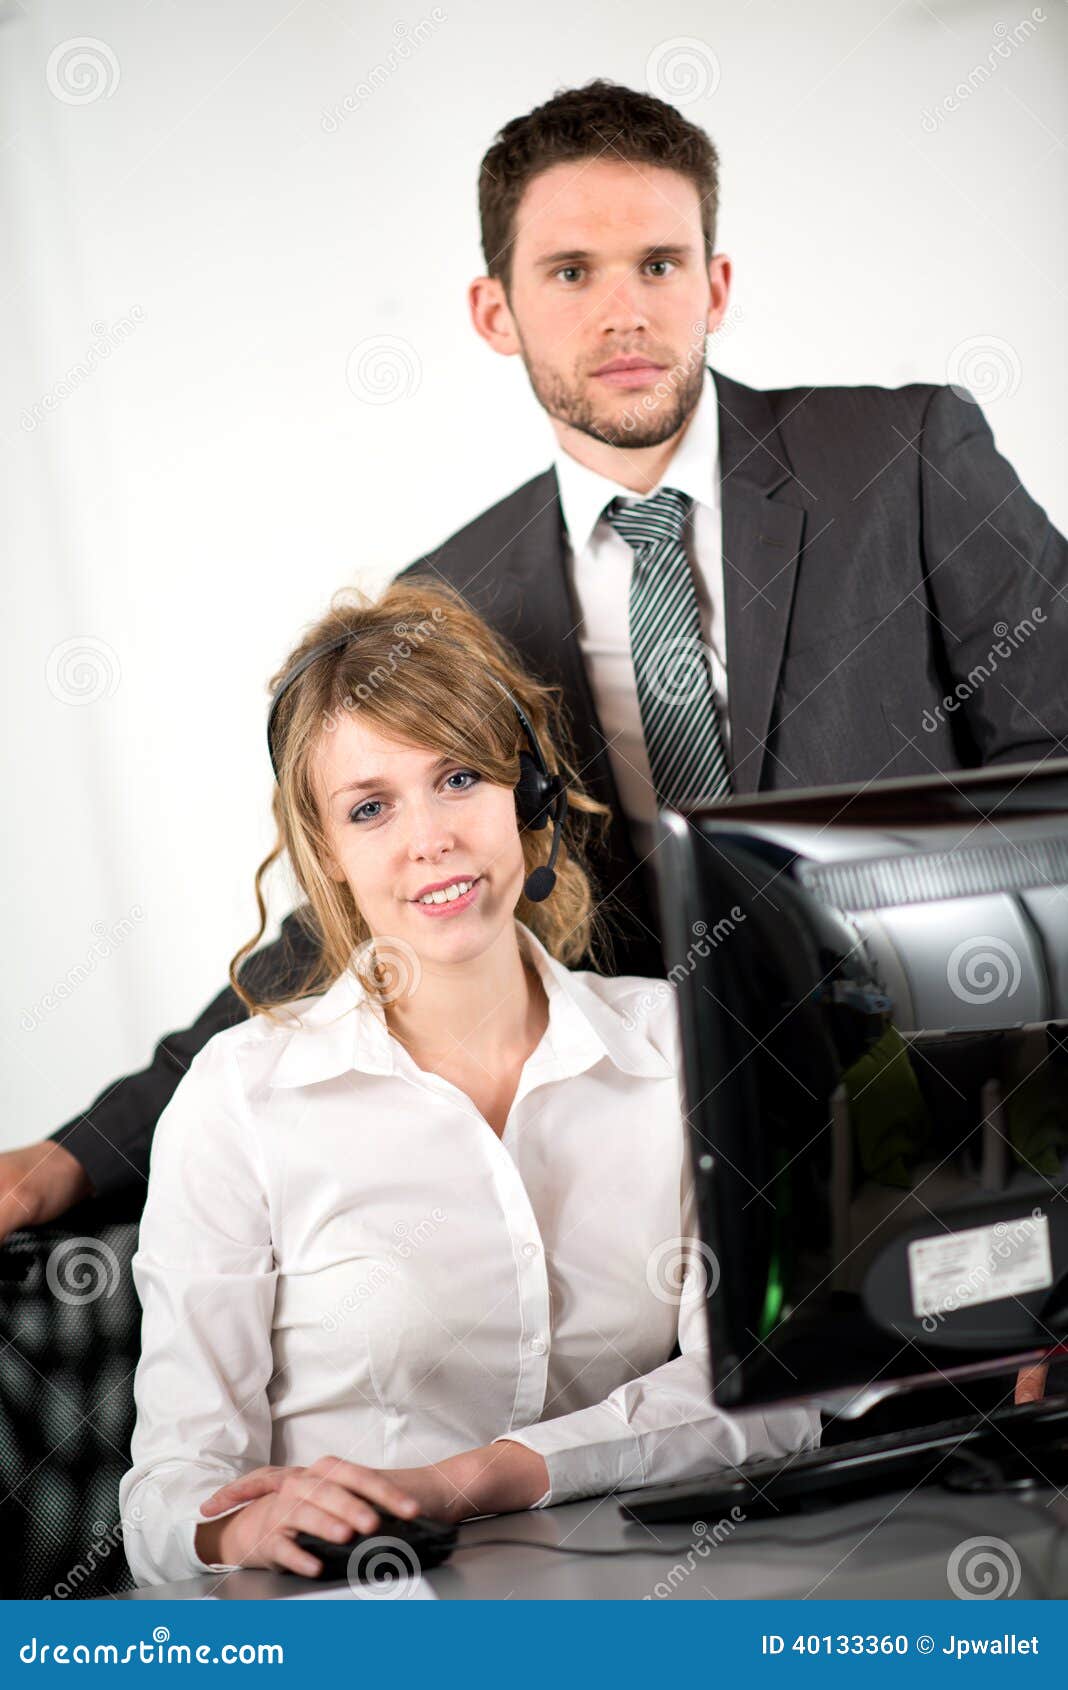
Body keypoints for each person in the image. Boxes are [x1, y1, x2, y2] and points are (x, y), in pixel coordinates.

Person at [5, 78, 1067, 1235]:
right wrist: (74, 1154)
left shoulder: (899, 456)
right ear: (494, 310)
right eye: (571, 273)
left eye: (659, 264)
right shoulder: (453, 598)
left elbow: (1055, 768)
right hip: (667, 1183)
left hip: (986, 1118)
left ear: (715, 284)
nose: (625, 314)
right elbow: (354, 915)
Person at [117, 579, 820, 1586]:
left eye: (459, 779)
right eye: (371, 807)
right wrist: (233, 1533)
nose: (430, 838)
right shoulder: (239, 1102)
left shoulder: (675, 1046)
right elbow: (165, 1496)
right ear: (329, 853)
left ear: (526, 792)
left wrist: (480, 1477)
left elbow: (764, 1394)